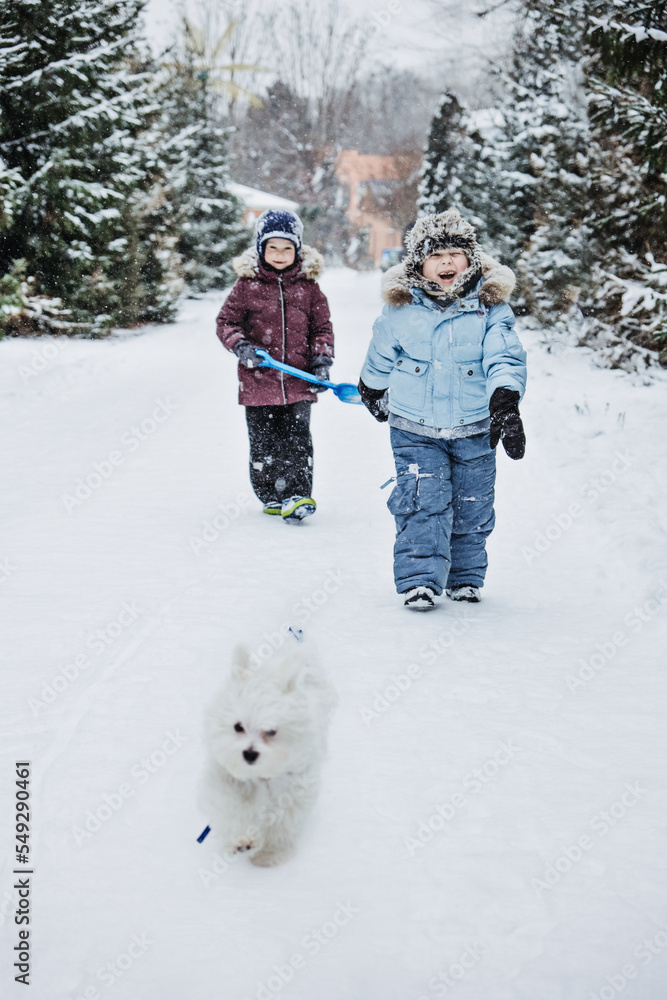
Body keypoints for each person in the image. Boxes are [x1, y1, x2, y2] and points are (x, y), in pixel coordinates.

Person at [358, 209, 527, 611]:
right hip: (414, 428)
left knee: (473, 505)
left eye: (455, 253)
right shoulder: (400, 309)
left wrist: (505, 398)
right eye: (436, 255)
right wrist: (372, 388)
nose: (447, 262)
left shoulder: (490, 309)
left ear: (471, 259)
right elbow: (381, 352)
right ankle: (419, 581)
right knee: (422, 500)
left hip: (474, 426)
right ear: (418, 262)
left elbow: (504, 355)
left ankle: (465, 578)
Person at [216, 210, 334, 524]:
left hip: (299, 382)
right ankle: (270, 493)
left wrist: (321, 361)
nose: (280, 255)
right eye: (273, 248)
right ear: (261, 249)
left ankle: (297, 494)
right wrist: (242, 347)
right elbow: (226, 323)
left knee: (297, 439)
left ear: (297, 249)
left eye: (286, 248)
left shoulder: (309, 288)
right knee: (264, 443)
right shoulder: (247, 286)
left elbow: (321, 328)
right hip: (258, 382)